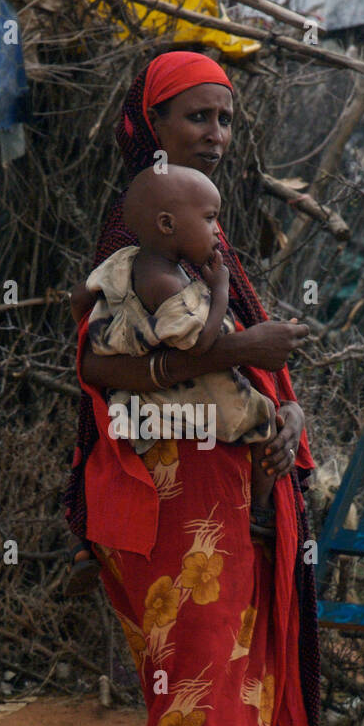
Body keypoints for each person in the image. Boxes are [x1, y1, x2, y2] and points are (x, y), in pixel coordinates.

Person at [0, 49, 321, 726]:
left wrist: (284, 419)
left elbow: (241, 377)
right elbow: (103, 365)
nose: (215, 132)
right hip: (168, 518)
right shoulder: (137, 240)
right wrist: (247, 352)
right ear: (150, 124)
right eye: (195, 116)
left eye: (225, 118)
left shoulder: (206, 241)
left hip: (232, 516)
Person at [71, 165, 279, 534]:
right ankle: (261, 511)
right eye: (210, 219)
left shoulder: (126, 260)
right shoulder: (168, 283)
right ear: (167, 224)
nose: (217, 231)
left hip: (137, 400)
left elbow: (79, 297)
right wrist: (220, 292)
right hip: (183, 400)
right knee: (266, 420)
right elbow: (201, 345)